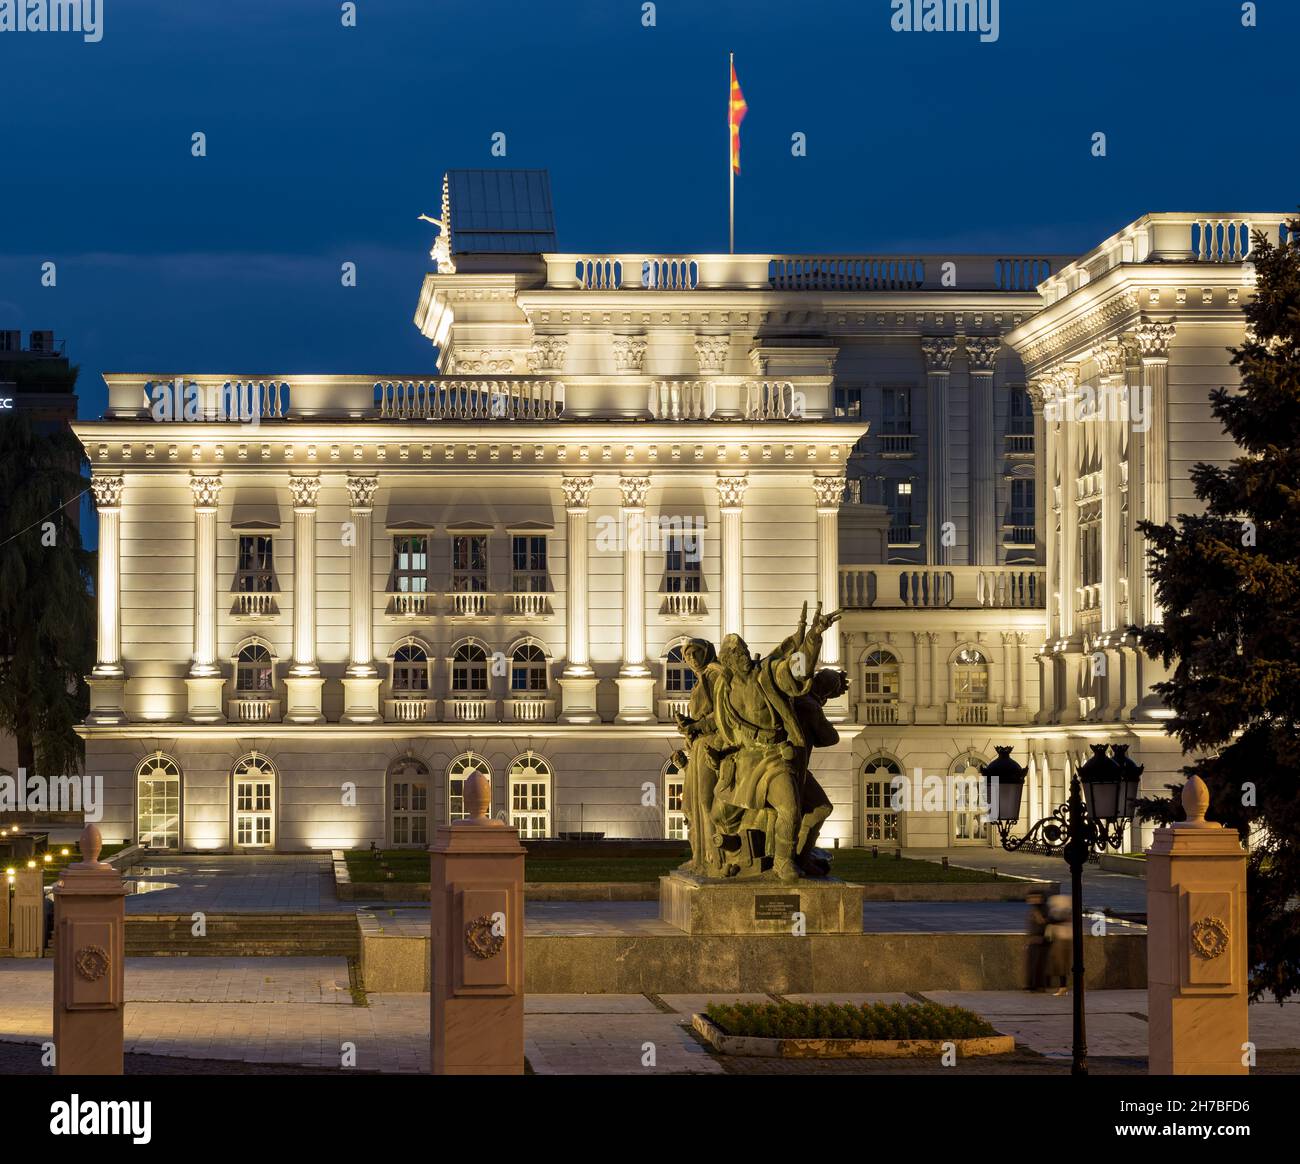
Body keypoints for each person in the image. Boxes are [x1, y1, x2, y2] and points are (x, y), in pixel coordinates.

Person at [1044, 894, 1073, 996]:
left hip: (1062, 938)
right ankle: (1061, 986)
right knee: (1057, 963)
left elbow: (1053, 920)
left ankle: (1063, 987)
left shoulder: (1061, 911)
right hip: (1058, 937)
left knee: (1061, 964)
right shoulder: (1063, 910)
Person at [1024, 891, 1048, 992]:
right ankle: (1031, 984)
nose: (1031, 900)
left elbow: (1044, 923)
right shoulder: (1034, 909)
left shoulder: (1043, 909)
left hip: (1040, 940)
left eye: (1034, 897)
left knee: (1038, 964)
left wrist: (1040, 936)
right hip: (1033, 940)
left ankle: (1038, 985)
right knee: (1031, 964)